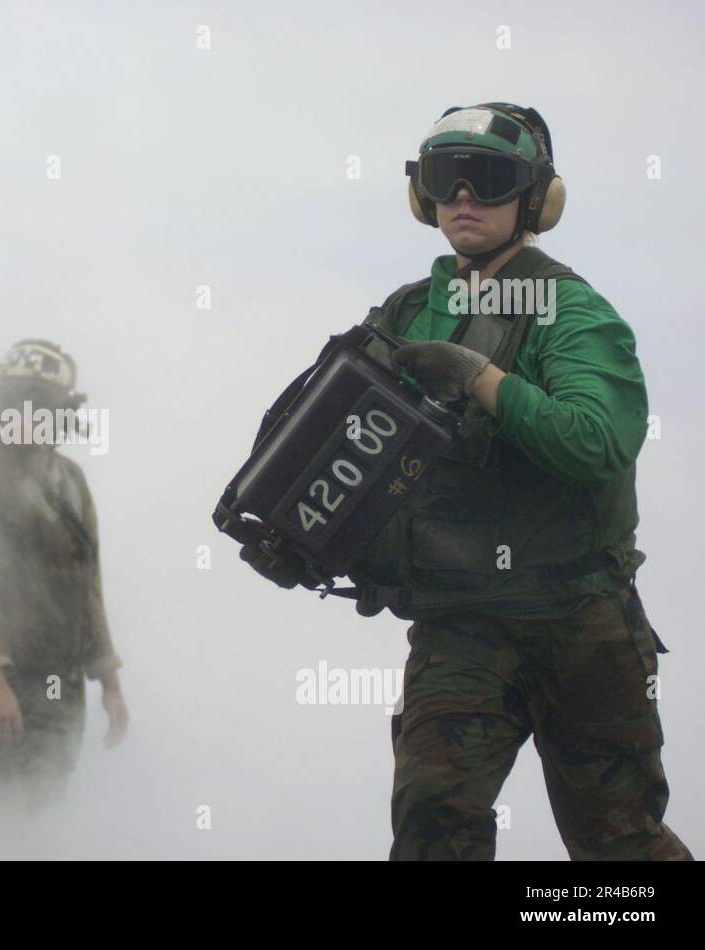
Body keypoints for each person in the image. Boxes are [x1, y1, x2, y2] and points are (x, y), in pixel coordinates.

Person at [242, 103, 692, 861]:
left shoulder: (569, 312)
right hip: (462, 624)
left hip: (579, 624)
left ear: (534, 199)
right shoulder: (411, 311)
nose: (463, 199)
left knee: (619, 847)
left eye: (488, 181)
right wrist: (300, 536)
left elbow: (600, 443)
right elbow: (352, 444)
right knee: (432, 824)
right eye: (447, 180)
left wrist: (479, 378)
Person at [0, 340, 128, 817]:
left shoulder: (70, 480)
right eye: (20, 400)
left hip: (59, 674)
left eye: (40, 402)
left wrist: (110, 681)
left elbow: (87, 583)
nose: (29, 413)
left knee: (45, 807)